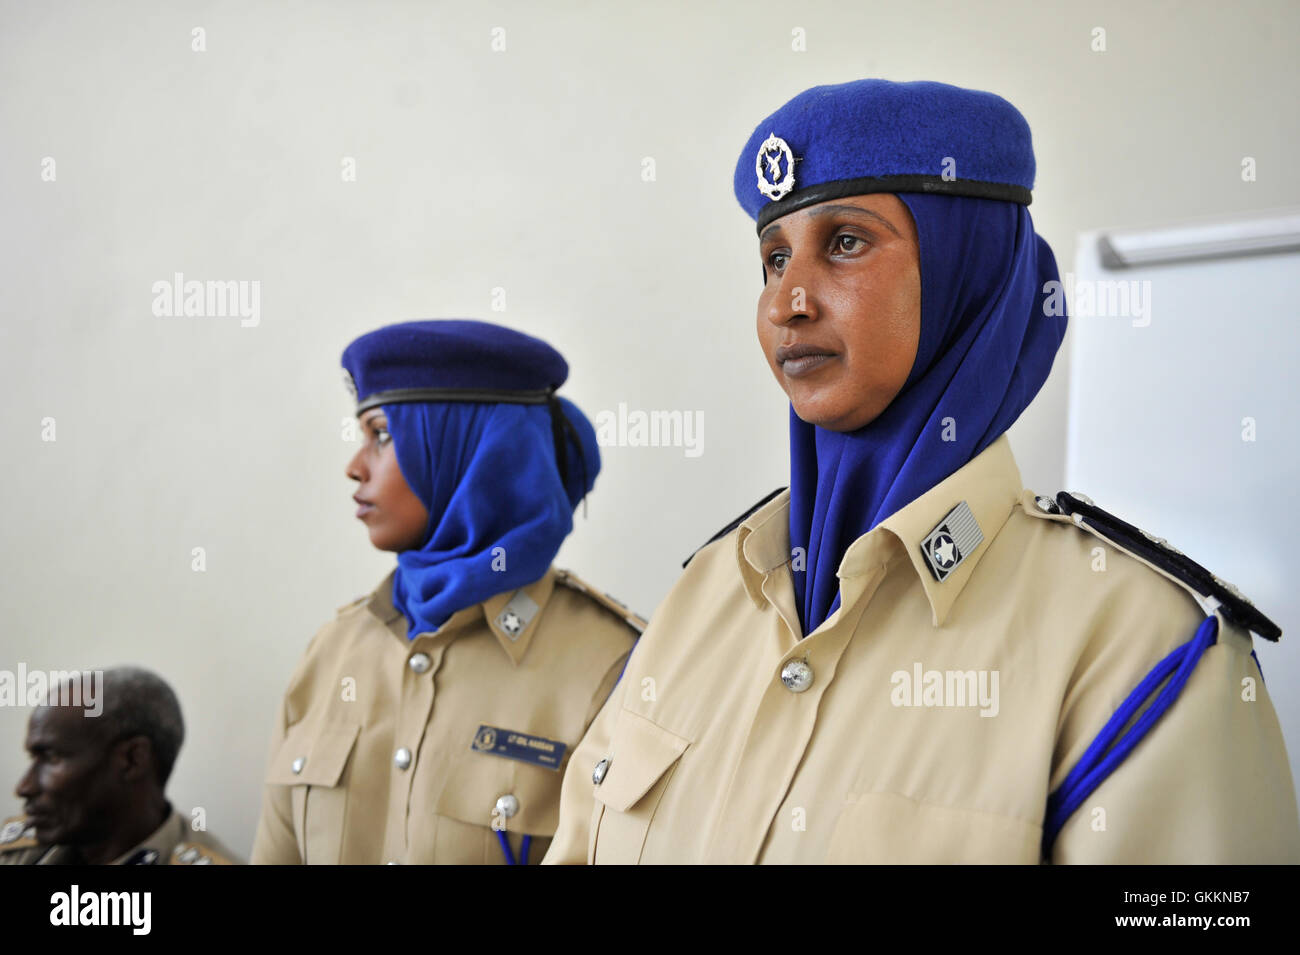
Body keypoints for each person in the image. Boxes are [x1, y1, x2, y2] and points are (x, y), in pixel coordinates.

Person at [543, 78, 1300, 864]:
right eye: (773, 258)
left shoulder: (1141, 653)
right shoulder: (700, 601)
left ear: (964, 273)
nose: (786, 302)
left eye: (844, 243)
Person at [250, 319, 641, 865]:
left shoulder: (614, 668)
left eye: (382, 435)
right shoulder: (330, 653)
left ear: (476, 452)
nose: (353, 467)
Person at [2, 666, 239, 865]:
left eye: (52, 758)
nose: (24, 787)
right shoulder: (13, 852)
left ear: (132, 760)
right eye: (34, 759)